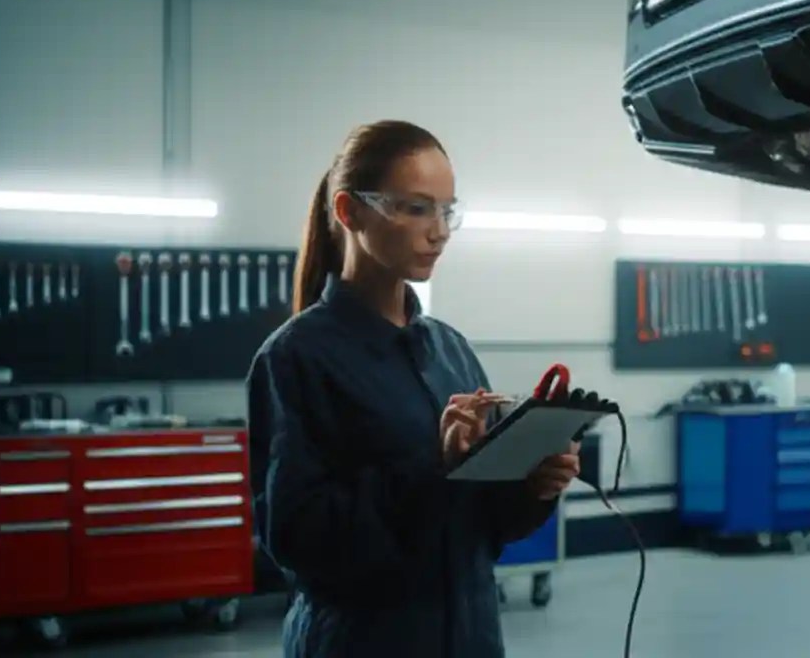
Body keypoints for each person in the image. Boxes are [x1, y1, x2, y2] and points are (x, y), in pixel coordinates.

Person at [246, 120, 581, 657]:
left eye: (447, 210)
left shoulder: (452, 351)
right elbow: (297, 540)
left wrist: (533, 487)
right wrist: (434, 466)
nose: (439, 231)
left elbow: (485, 527)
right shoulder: (296, 359)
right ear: (349, 212)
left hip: (470, 637)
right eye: (415, 208)